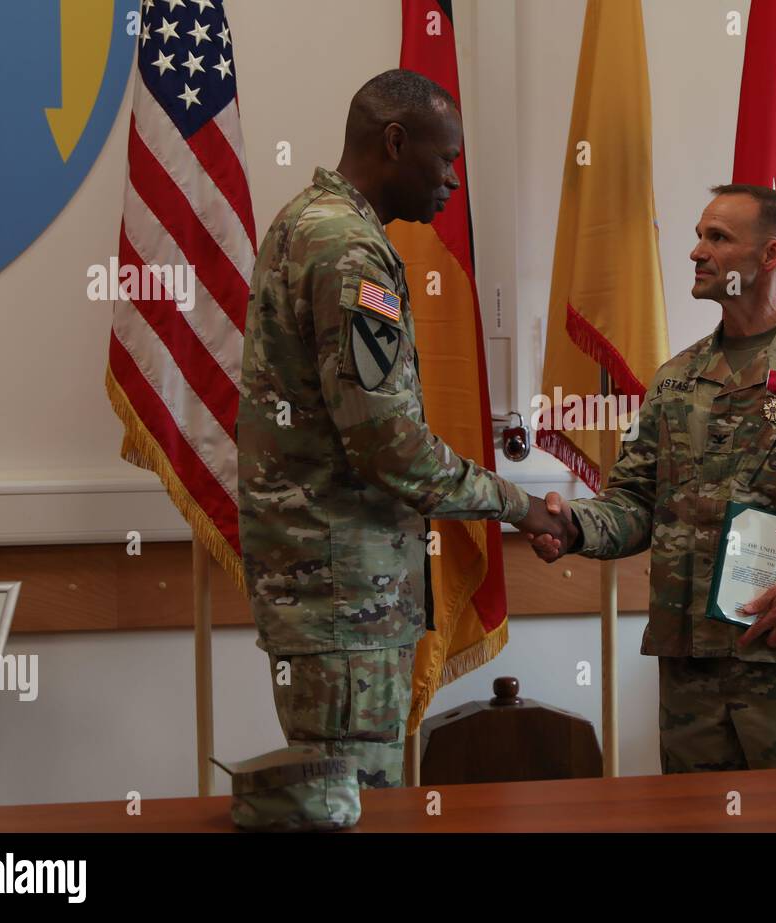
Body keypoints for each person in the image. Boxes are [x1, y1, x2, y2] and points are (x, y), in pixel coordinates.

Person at [238, 69, 575, 789]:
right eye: (446, 157)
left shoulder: (310, 221)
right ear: (394, 141)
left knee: (337, 802)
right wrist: (517, 508)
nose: (454, 179)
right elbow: (390, 446)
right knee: (354, 806)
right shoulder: (350, 253)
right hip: (342, 602)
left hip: (327, 594)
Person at [532, 184, 776, 773]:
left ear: (771, 256)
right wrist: (577, 527)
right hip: (691, 672)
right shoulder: (676, 379)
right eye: (698, 236)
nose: (696, 251)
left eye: (717, 237)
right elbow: (638, 501)